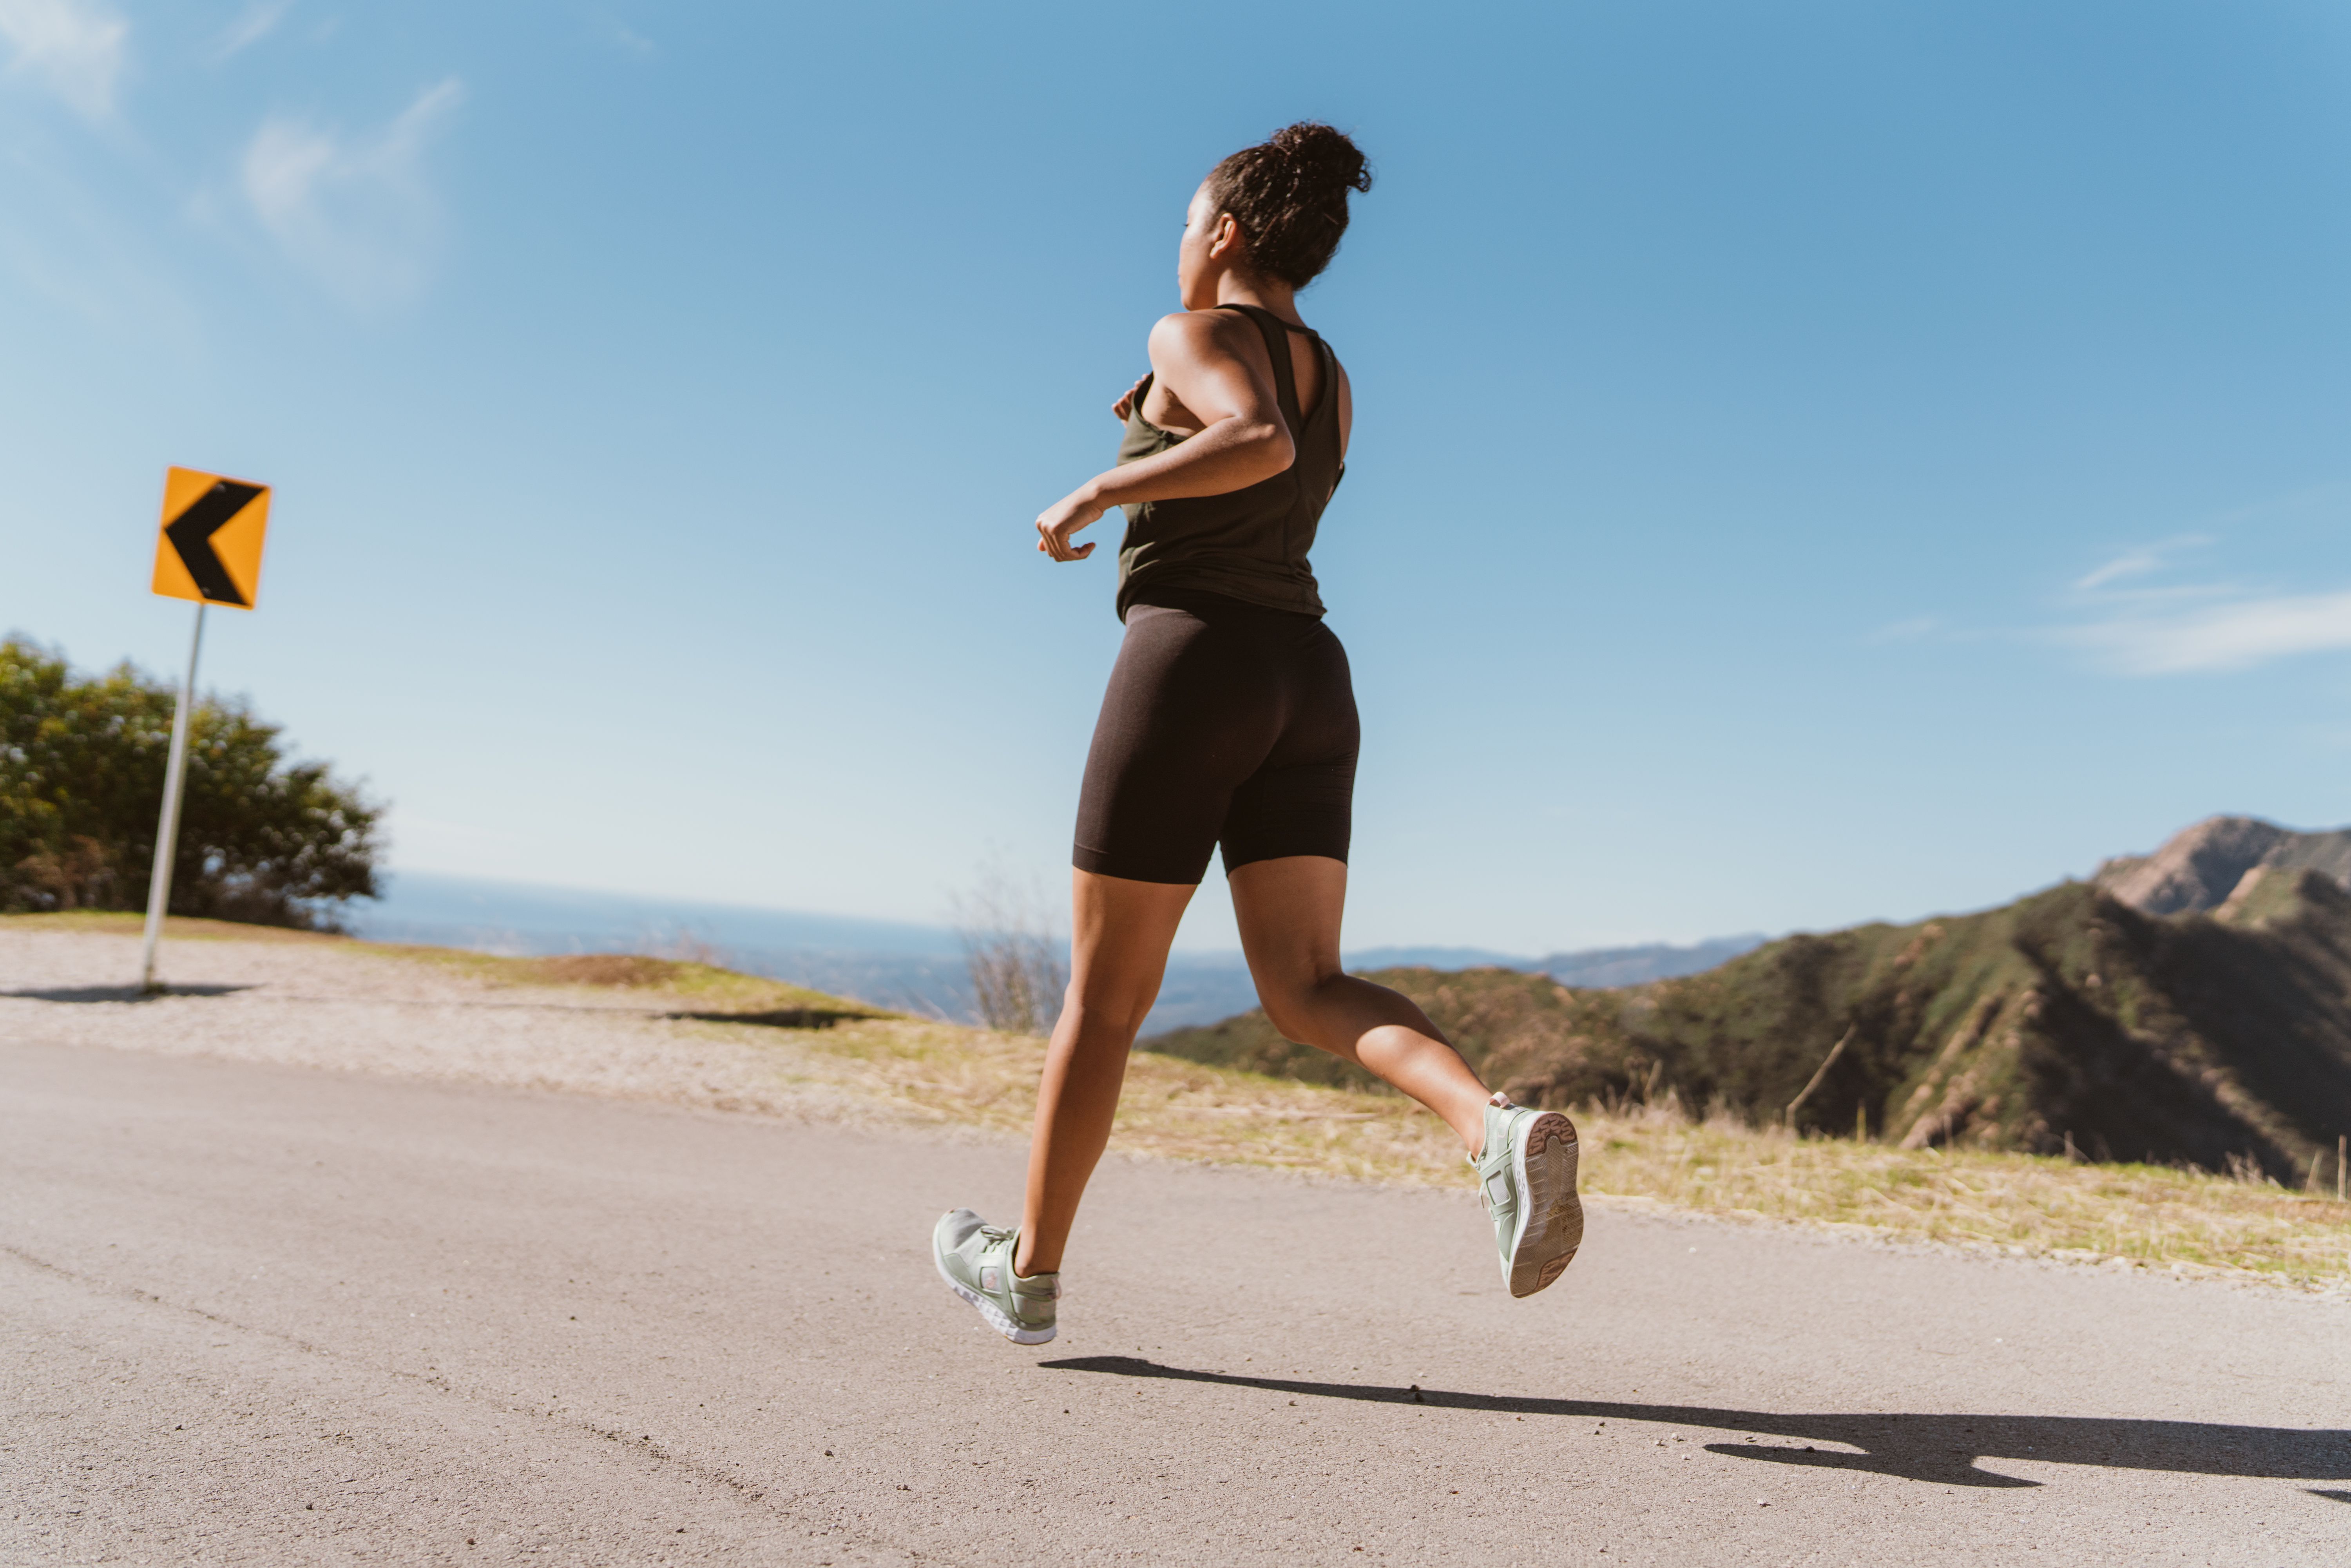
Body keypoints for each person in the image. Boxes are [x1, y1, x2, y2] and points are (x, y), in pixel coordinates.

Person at [934, 123, 1581, 1345]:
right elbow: (1277, 450)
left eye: (1186, 222)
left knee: (1107, 999)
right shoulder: (1330, 370)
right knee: (1308, 984)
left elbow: (1256, 444)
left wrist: (1098, 484)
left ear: (1225, 232)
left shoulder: (1189, 332)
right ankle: (1491, 1129)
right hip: (1310, 678)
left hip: (1194, 664)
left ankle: (1028, 1269)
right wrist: (1158, 427)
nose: (1178, 244)